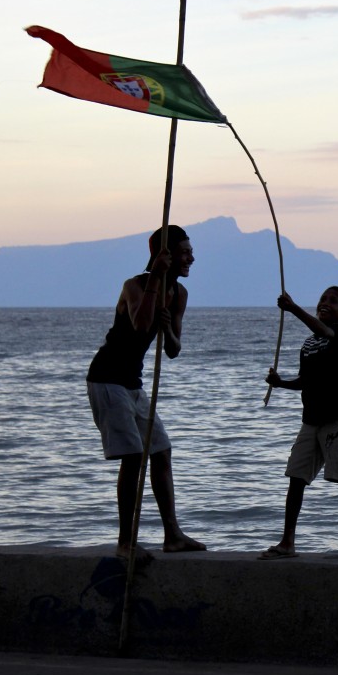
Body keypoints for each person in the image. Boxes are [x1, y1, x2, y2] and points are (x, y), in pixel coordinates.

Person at [86, 225, 206, 562]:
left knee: (161, 451)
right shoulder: (135, 285)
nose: (191, 259)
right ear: (163, 255)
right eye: (184, 252)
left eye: (190, 252)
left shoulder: (179, 295)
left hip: (132, 383)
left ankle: (173, 535)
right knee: (133, 458)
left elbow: (174, 350)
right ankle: (126, 542)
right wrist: (156, 277)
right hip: (107, 379)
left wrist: (168, 329)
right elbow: (140, 324)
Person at [260, 286, 338, 564]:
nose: (325, 303)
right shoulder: (309, 344)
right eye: (323, 299)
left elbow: (325, 331)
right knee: (296, 480)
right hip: (310, 422)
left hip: (336, 422)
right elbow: (305, 381)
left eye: (333, 301)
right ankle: (287, 542)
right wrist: (281, 384)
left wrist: (293, 308)